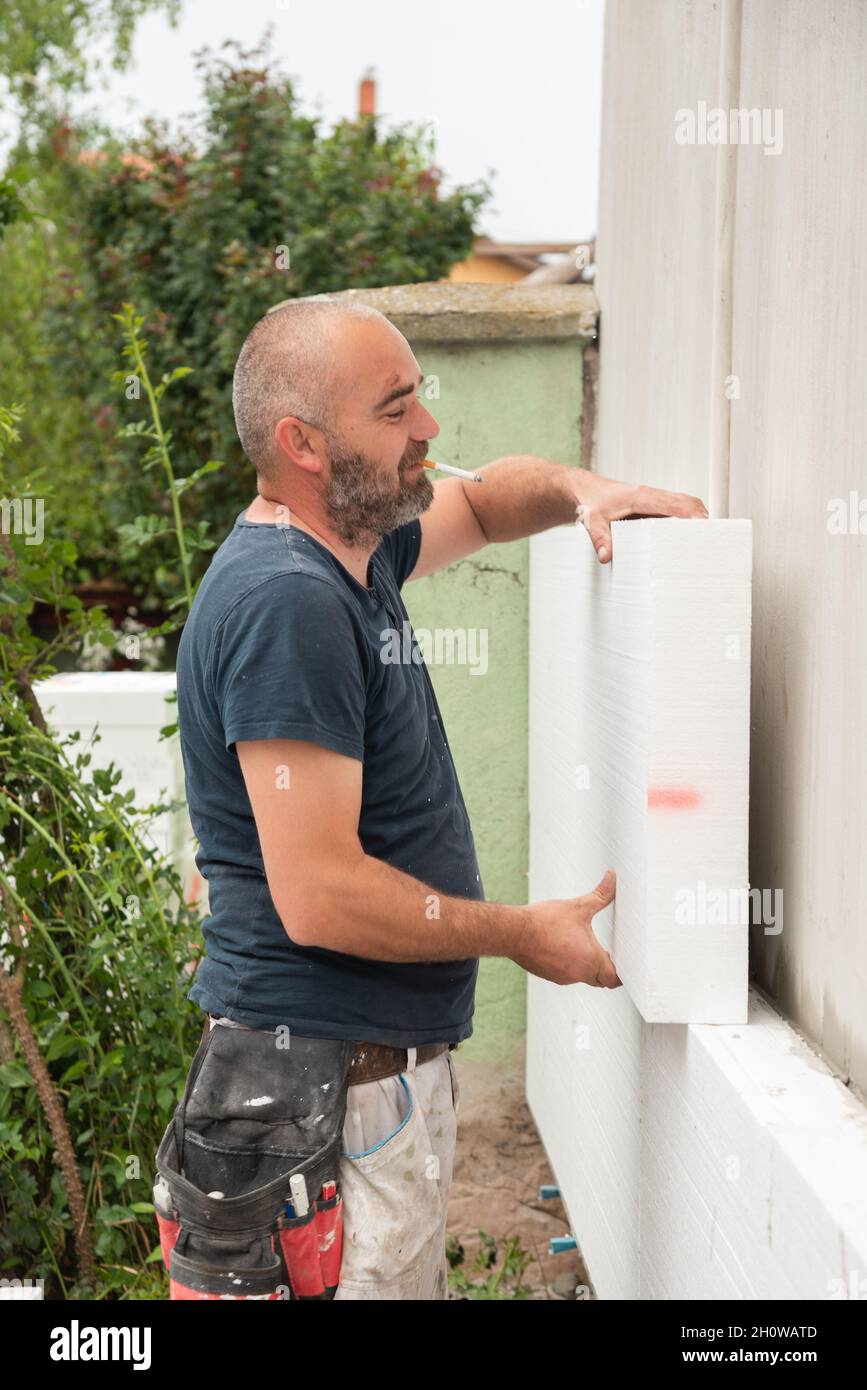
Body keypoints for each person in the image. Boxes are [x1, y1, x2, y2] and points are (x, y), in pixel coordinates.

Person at [174, 294, 707, 1300]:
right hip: (325, 1100)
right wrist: (517, 932)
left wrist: (588, 489)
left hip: (348, 1084)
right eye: (395, 408)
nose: (428, 429)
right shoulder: (290, 602)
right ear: (304, 443)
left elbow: (488, 501)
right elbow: (319, 895)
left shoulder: (349, 554)